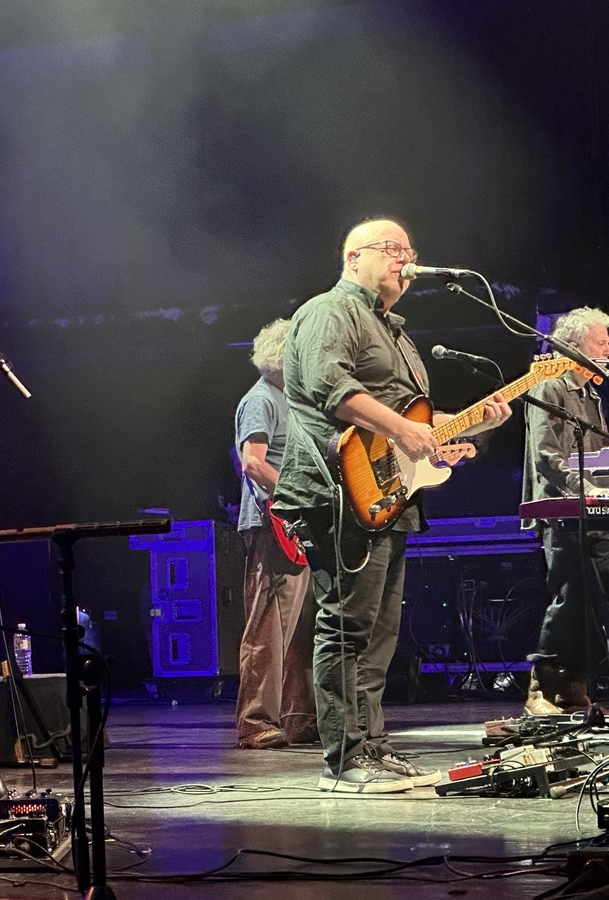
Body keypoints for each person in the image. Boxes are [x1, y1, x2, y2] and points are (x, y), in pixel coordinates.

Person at [274, 218, 512, 793]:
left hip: (387, 496)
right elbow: (333, 389)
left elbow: (410, 424)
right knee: (346, 625)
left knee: (379, 633)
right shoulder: (330, 311)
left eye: (410, 250)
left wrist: (465, 430)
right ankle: (344, 758)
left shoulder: (397, 334)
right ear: (353, 257)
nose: (406, 259)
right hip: (337, 492)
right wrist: (405, 431)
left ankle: (373, 747)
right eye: (392, 248)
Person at [521, 307, 609, 716]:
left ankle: (574, 688)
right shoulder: (548, 387)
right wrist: (586, 490)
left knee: (595, 598)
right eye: (601, 342)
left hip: (595, 511)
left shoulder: (591, 395)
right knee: (570, 596)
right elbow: (546, 455)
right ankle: (542, 687)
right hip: (562, 511)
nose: (608, 349)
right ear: (574, 346)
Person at [234, 318, 316, 749]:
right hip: (273, 524)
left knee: (301, 626)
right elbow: (252, 462)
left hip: (297, 525)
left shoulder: (291, 399)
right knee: (268, 625)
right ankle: (256, 722)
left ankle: (301, 718)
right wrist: (294, 495)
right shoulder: (261, 399)